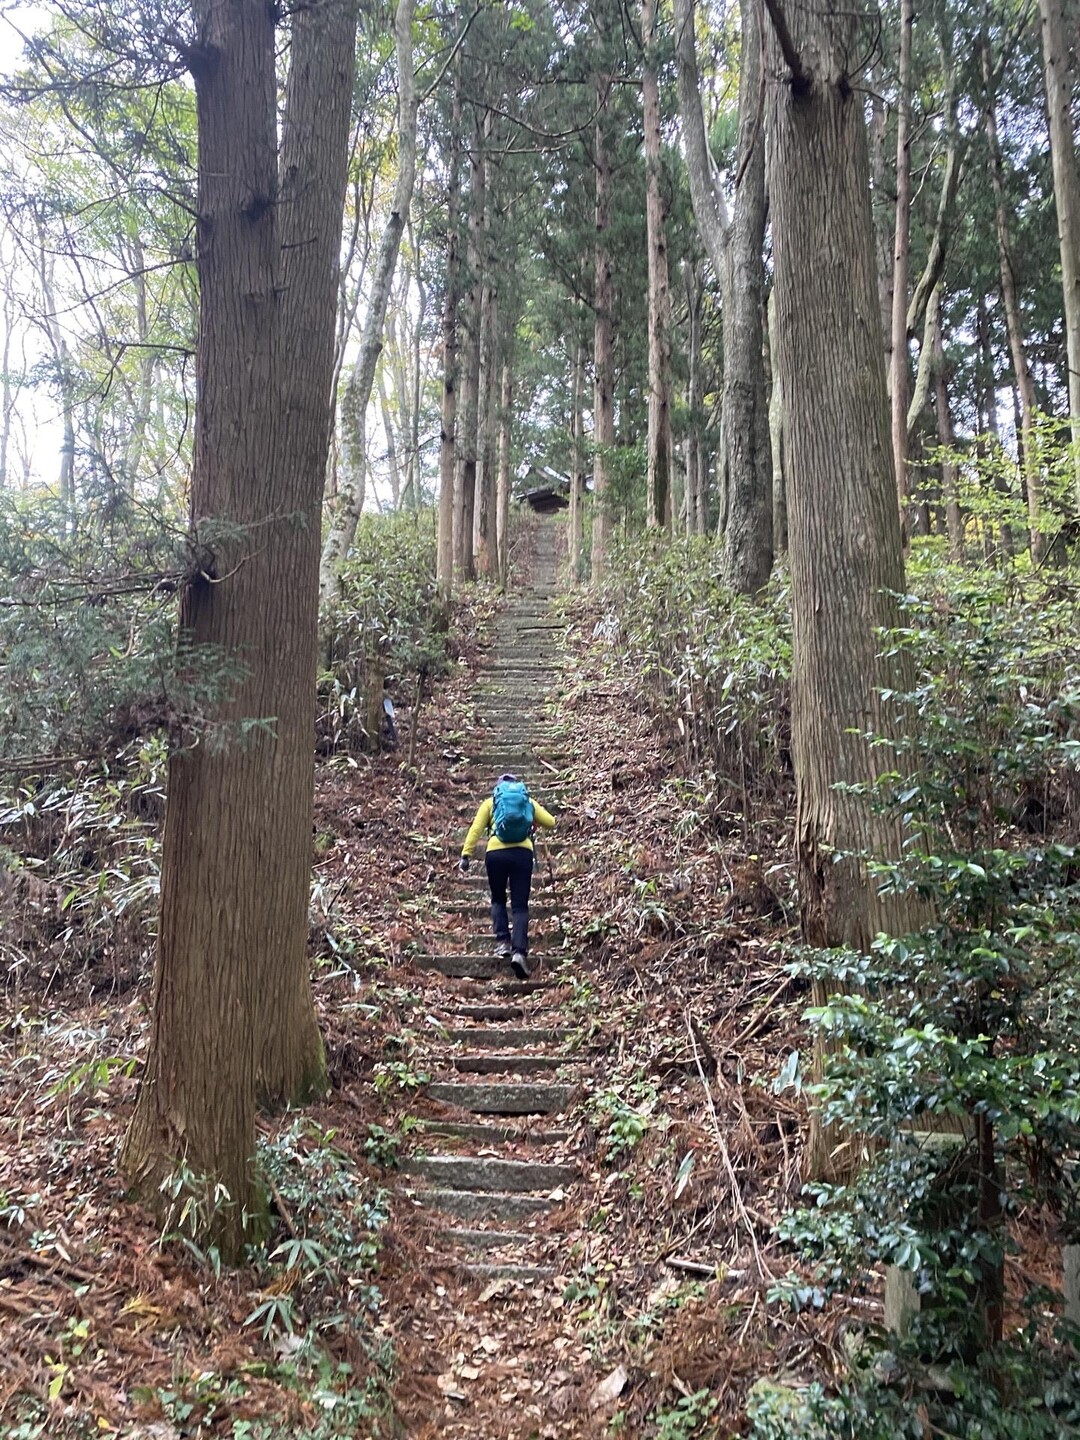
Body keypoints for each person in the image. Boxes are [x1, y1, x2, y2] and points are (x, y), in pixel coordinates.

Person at [458, 773, 556, 978]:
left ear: (498, 787)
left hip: (495, 854)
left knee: (498, 898)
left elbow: (476, 829)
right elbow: (551, 822)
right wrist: (531, 821)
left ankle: (503, 942)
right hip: (522, 854)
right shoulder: (527, 800)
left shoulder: (490, 802)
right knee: (520, 905)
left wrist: (466, 855)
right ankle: (519, 952)